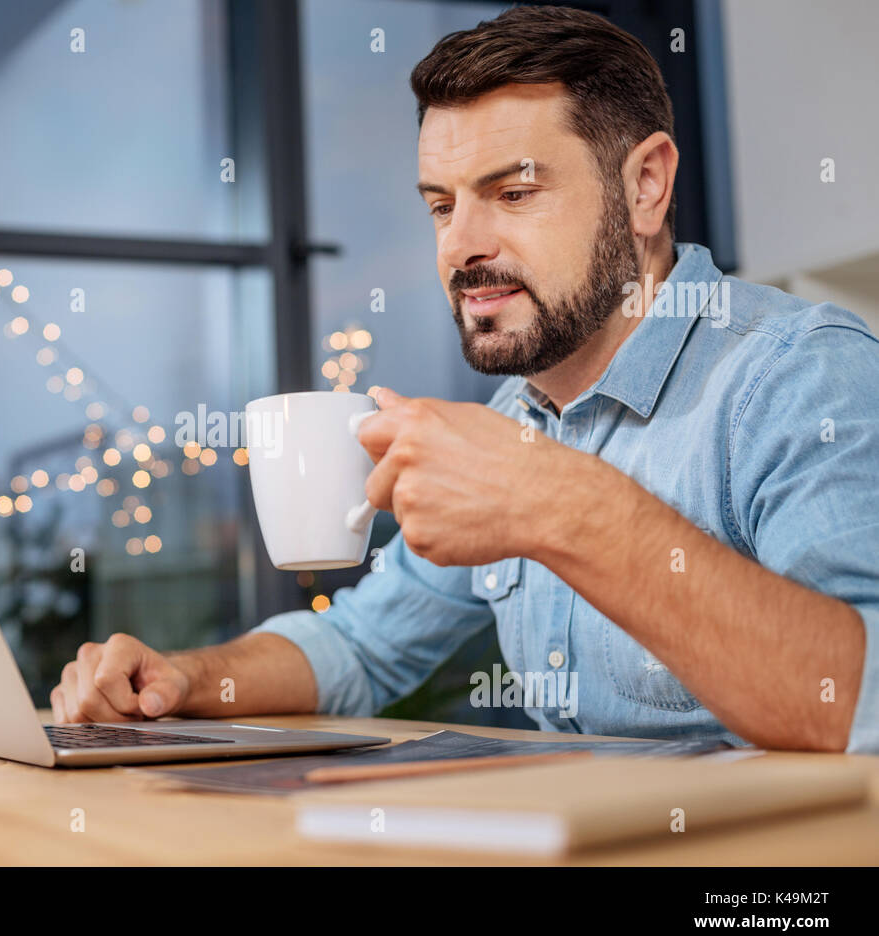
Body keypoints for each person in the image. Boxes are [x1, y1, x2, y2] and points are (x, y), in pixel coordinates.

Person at [51, 5, 879, 754]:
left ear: (646, 186)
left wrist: (558, 504)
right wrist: (185, 681)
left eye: (513, 192)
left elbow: (861, 704)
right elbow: (364, 646)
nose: (461, 245)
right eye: (441, 206)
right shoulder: (516, 412)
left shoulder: (799, 372)